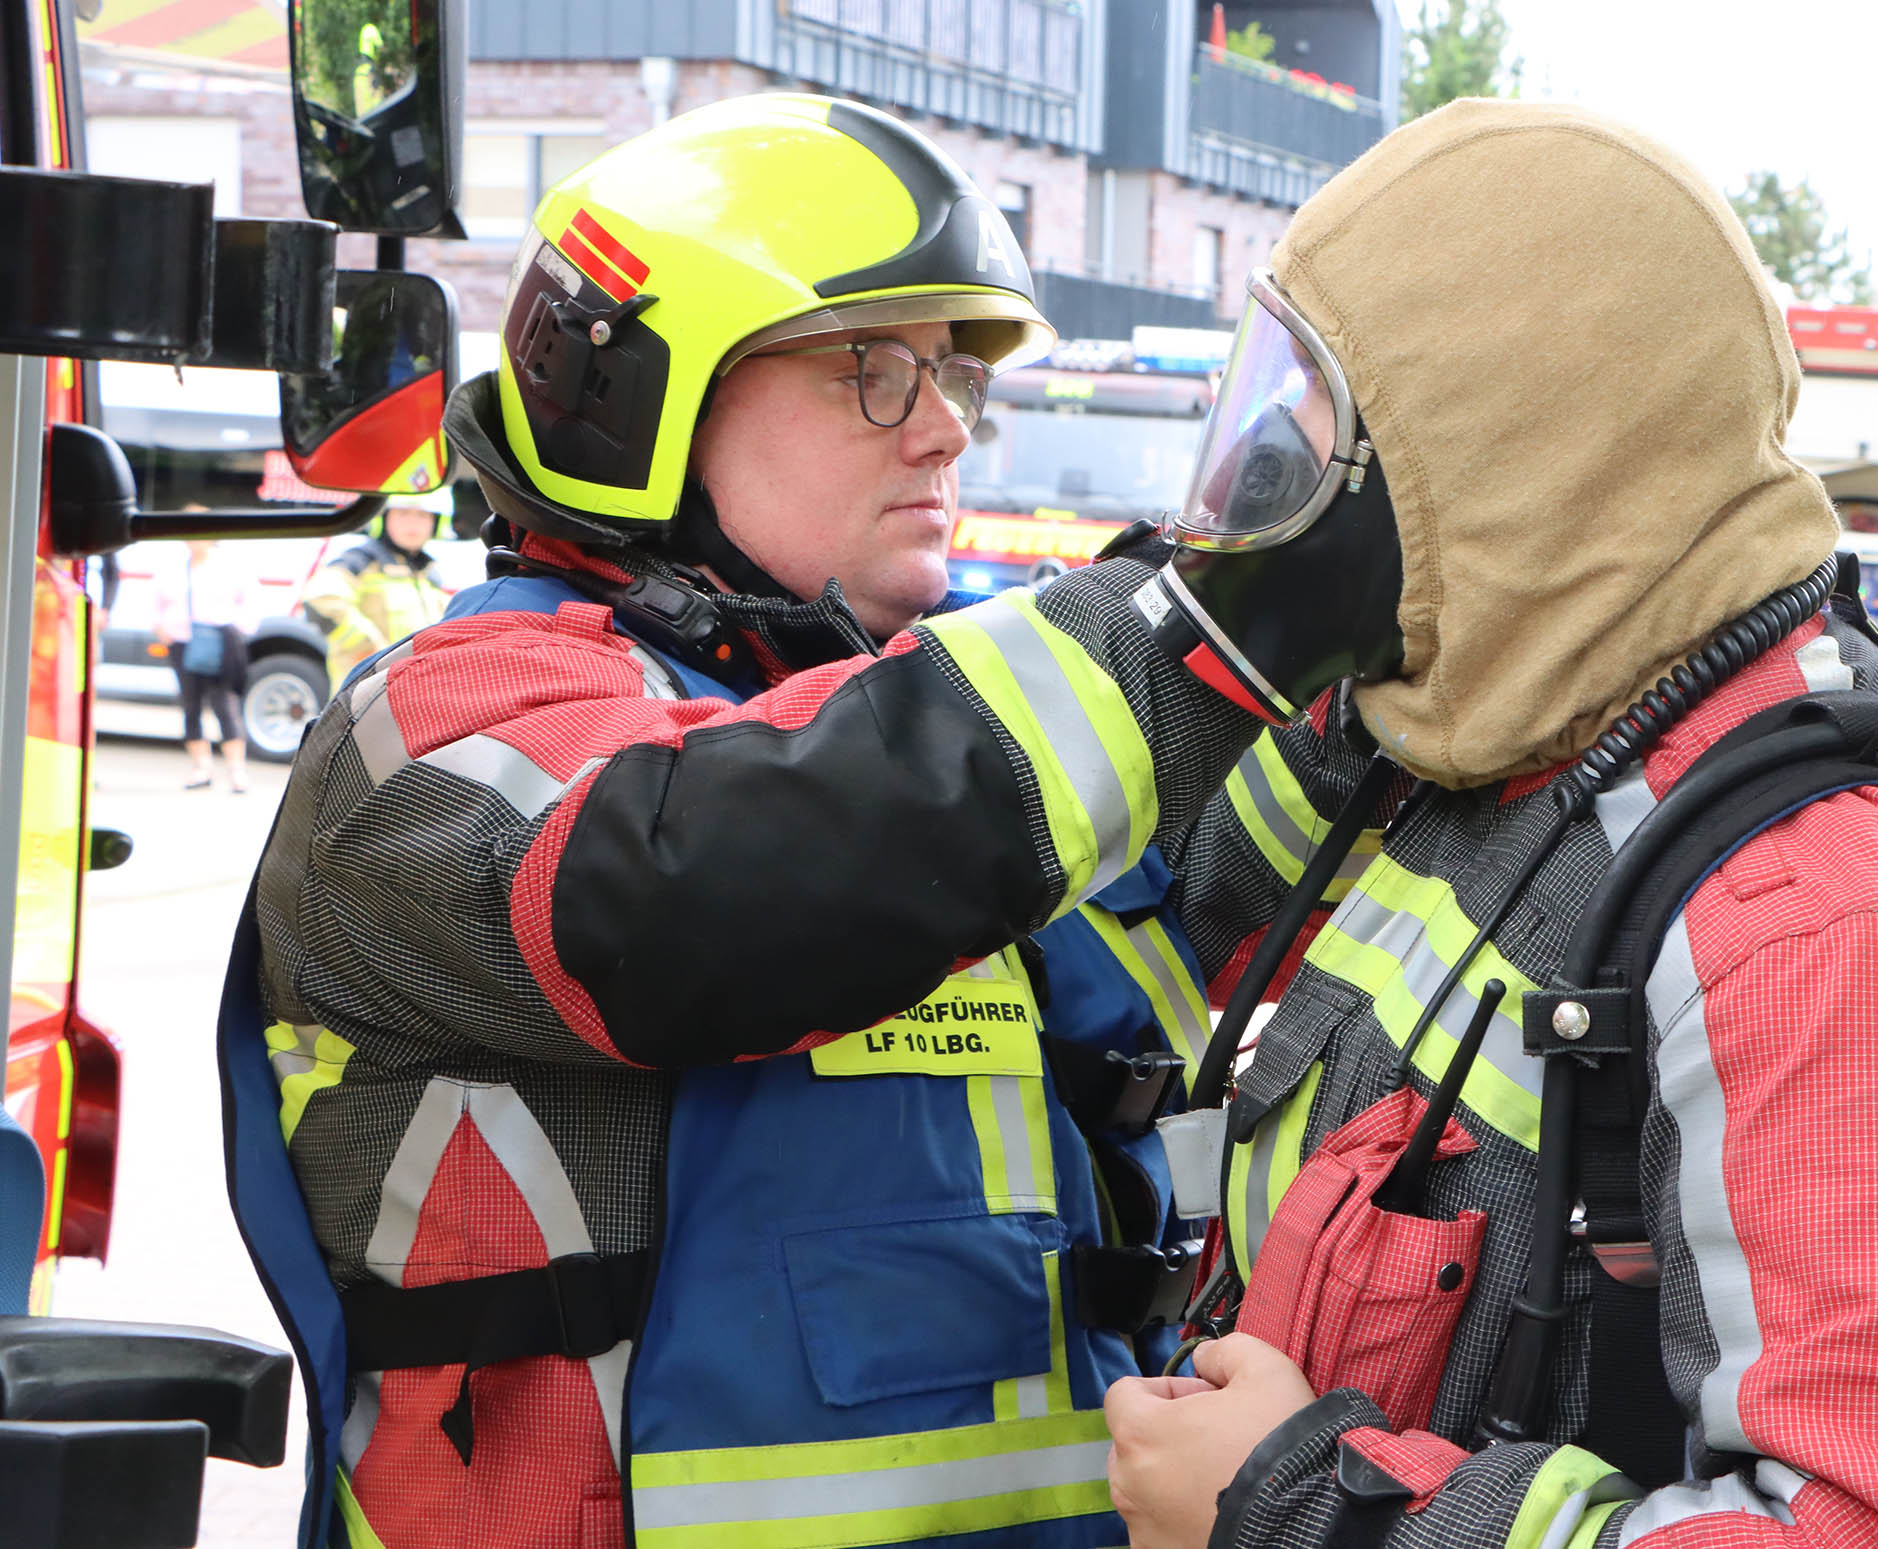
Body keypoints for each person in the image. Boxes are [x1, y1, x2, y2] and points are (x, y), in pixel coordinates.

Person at [218, 95, 1297, 1549]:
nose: (943, 428)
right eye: (871, 368)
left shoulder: (968, 740)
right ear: (638, 398)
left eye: (954, 376)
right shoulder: (432, 726)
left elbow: (1232, 903)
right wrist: (1192, 642)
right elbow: (684, 887)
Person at [1103, 101, 1878, 1549]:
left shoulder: (1841, 913)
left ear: (1501, 462)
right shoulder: (1477, 735)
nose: (1284, 462)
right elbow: (1146, 891)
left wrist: (1298, 1508)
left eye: (1326, 416)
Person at [301, 489, 454, 688]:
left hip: (414, 695)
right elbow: (320, 600)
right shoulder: (360, 561)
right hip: (362, 700)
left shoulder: (428, 574)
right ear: (384, 516)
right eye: (402, 513)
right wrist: (372, 650)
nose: (412, 523)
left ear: (436, 522)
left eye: (422, 515)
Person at [150, 516, 253, 792]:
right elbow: (157, 603)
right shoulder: (172, 568)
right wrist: (163, 630)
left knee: (224, 704)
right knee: (191, 705)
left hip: (219, 644)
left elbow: (249, 602)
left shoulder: (228, 566)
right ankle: (201, 768)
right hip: (183, 642)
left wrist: (237, 630)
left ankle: (236, 771)